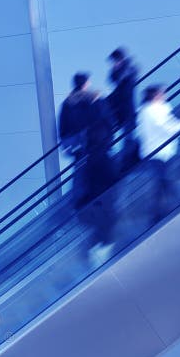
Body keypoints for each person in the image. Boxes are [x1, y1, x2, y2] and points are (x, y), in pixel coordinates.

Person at [59, 72, 118, 263]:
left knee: (85, 196)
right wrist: (107, 142)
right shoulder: (96, 100)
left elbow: (63, 133)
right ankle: (101, 244)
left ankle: (95, 243)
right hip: (99, 154)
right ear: (86, 83)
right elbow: (110, 123)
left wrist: (75, 150)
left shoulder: (67, 105)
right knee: (106, 204)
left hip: (82, 157)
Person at [137, 85, 180, 222]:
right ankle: (177, 208)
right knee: (165, 182)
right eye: (162, 92)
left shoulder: (151, 110)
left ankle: (158, 214)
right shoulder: (152, 111)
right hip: (159, 153)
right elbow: (172, 129)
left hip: (158, 152)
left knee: (162, 183)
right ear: (155, 96)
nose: (165, 95)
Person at [107, 47, 139, 171]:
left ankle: (128, 162)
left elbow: (124, 91)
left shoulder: (130, 70)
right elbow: (112, 80)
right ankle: (125, 161)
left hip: (127, 109)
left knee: (129, 136)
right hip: (119, 111)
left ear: (120, 59)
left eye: (114, 61)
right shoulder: (119, 71)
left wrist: (119, 73)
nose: (113, 64)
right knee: (125, 135)